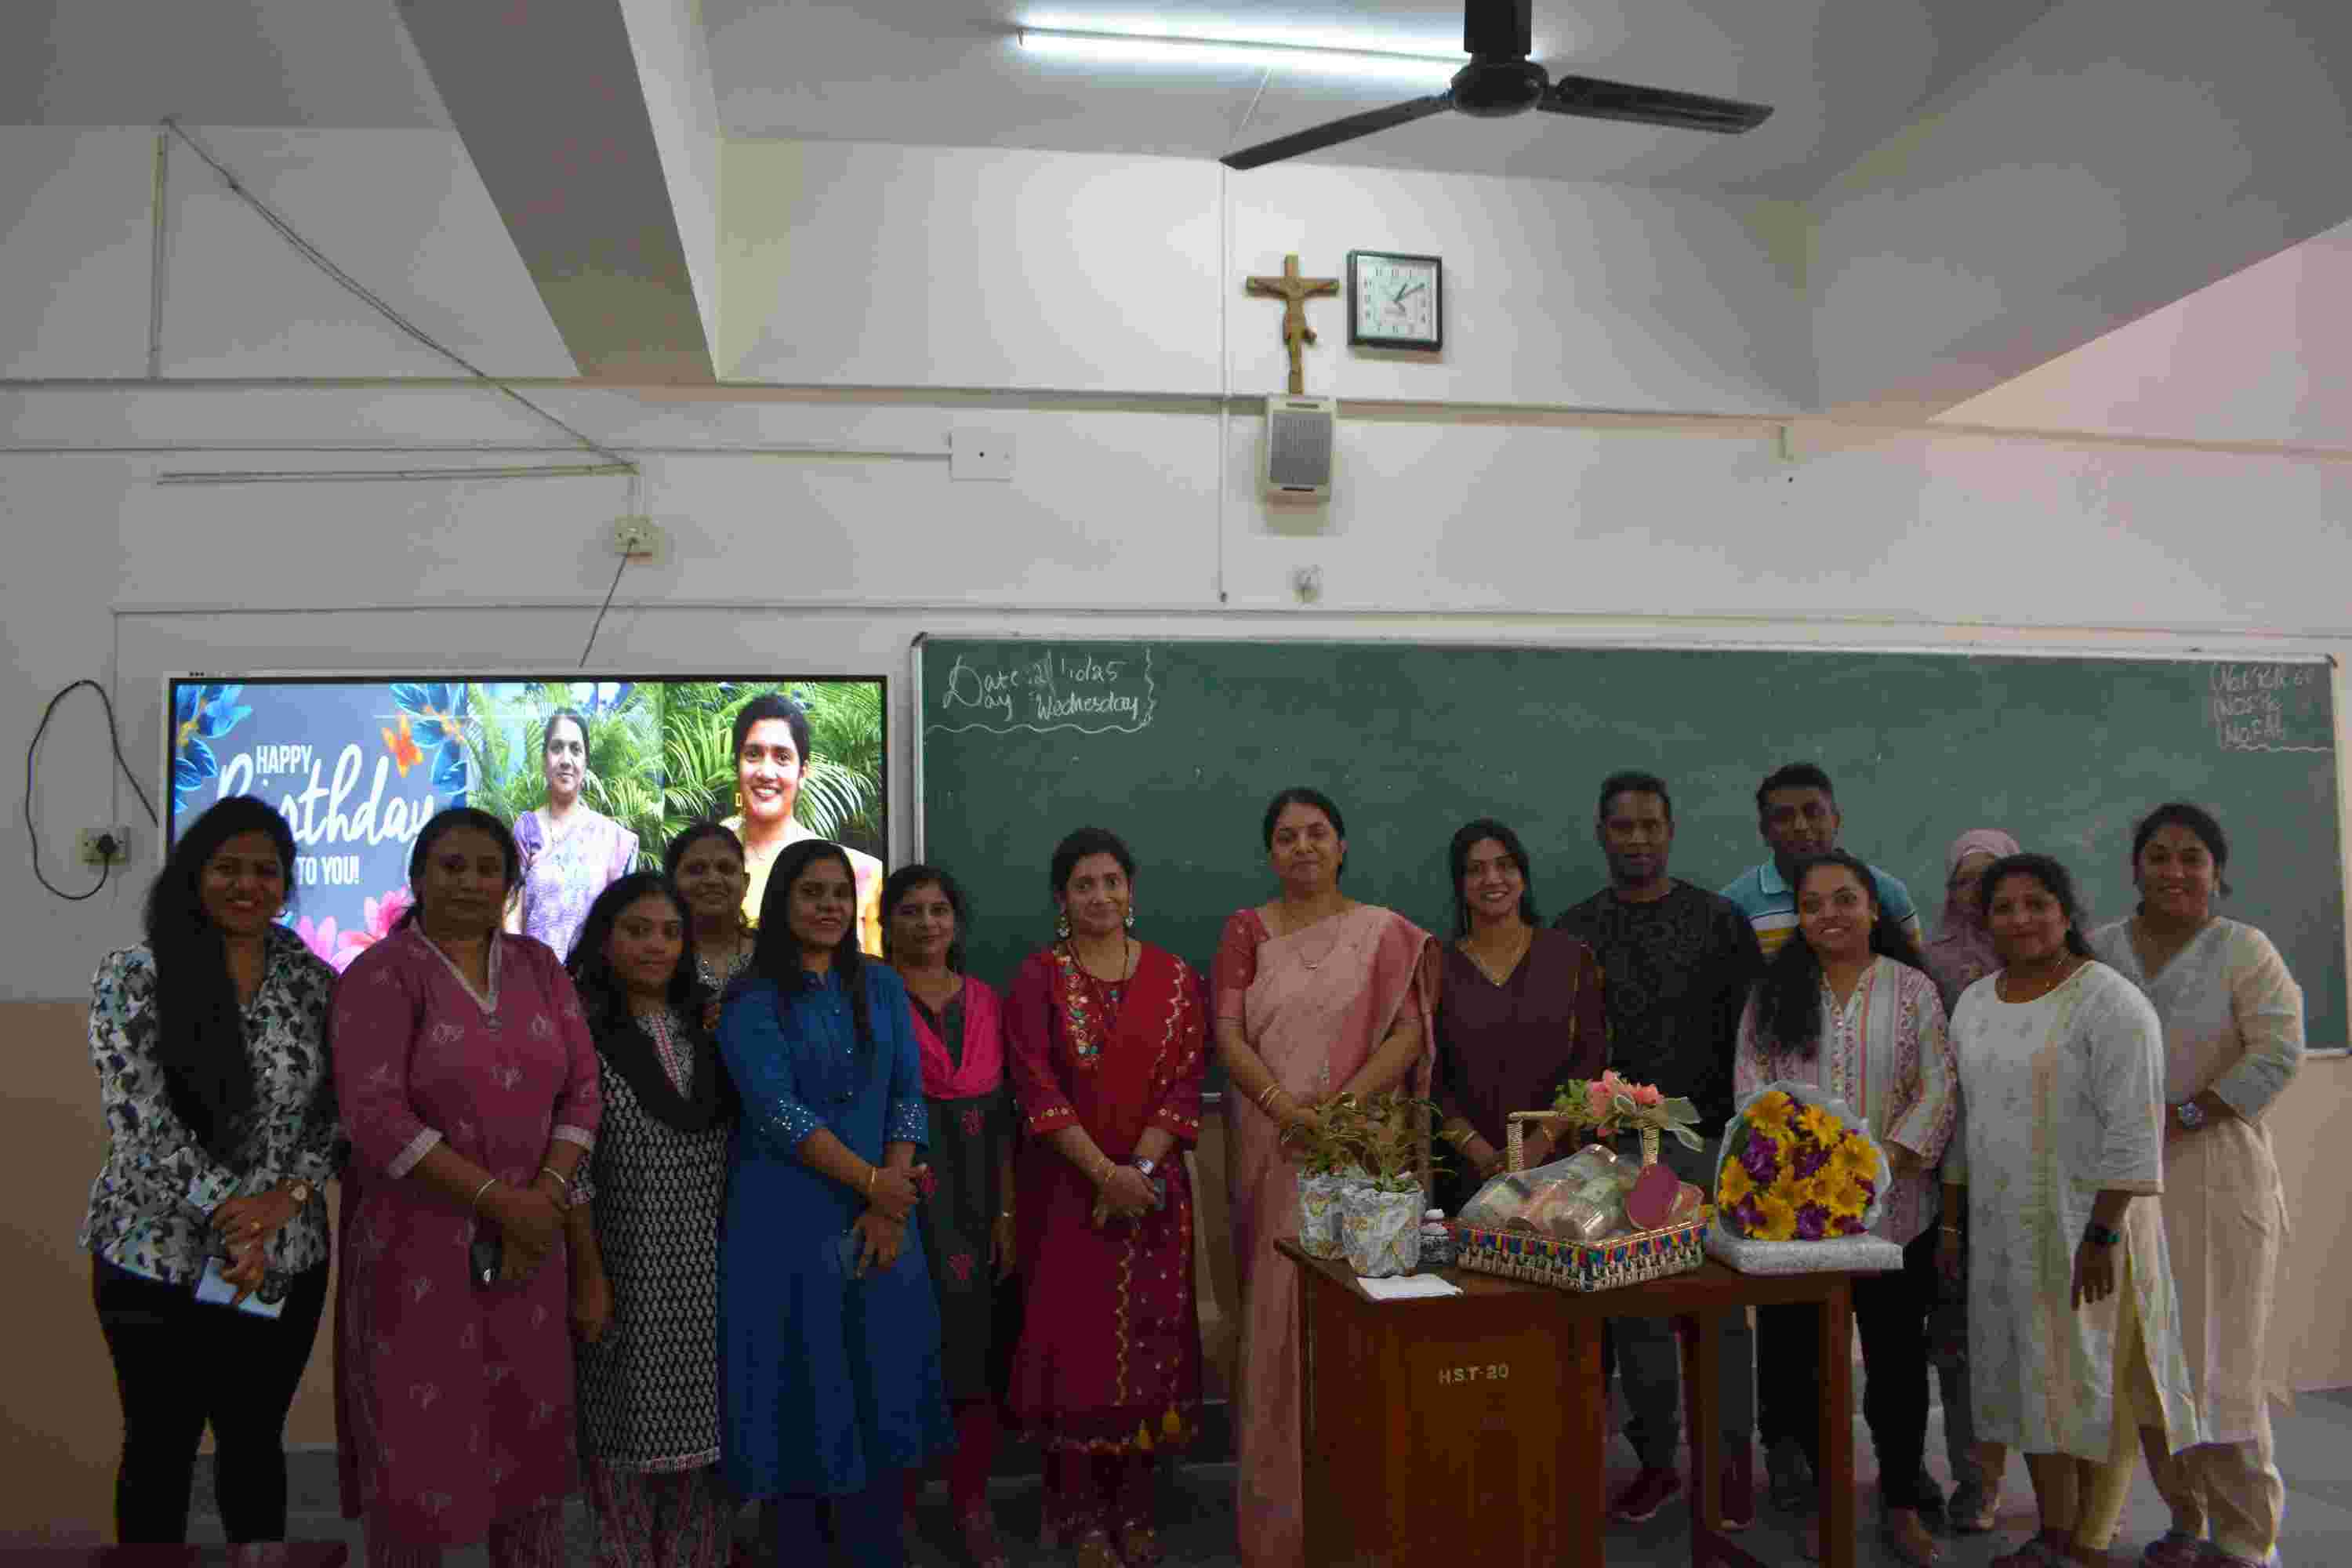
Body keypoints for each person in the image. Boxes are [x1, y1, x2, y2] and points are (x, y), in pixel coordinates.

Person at [332, 806, 603, 1567]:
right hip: (416, 1258)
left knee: (528, 1451)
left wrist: (542, 1195)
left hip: (530, 1256)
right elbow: (374, 1116)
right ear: (418, 877)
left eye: (489, 869)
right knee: (418, 1452)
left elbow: (583, 1090)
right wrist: (505, 1203)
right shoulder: (380, 975)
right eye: (452, 866)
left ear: (511, 884)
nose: (470, 882)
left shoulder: (541, 968)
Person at [82, 795, 343, 1544]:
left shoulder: (315, 983)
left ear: (286, 884)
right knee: (159, 1447)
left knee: (254, 1444)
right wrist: (238, 1219)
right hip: (153, 1255)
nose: (247, 884)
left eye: (266, 870)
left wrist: (287, 1200)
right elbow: (139, 1117)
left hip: (283, 1257)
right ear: (195, 874)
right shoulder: (135, 975)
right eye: (228, 867)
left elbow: (338, 1111)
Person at [1940, 854, 2201, 1568]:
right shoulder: (1976, 1004)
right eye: (2004, 908)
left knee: (2094, 1379)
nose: (2020, 919)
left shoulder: (2110, 1003)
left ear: (2066, 911)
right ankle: (2054, 1530)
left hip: (2091, 1229)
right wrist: (1955, 1223)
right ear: (1984, 920)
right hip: (2005, 1229)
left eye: (2037, 904)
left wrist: (2102, 1234)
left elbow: (2134, 1130)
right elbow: (1964, 1122)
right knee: (2030, 1379)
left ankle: (2094, 1539)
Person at [717, 838, 952, 1568]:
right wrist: (874, 1184)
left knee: (881, 1381)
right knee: (802, 1392)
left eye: (839, 893)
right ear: (782, 902)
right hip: (786, 1222)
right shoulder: (751, 998)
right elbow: (777, 1113)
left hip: (882, 1223)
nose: (828, 906)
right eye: (811, 892)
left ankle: (876, 1549)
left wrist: (890, 1199)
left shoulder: (880, 985)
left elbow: (908, 1095)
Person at [1216, 788, 1434, 1568]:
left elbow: (1408, 1034)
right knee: (1280, 1323)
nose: (1302, 846)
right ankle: (1282, 1528)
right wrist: (1287, 1111)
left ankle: (1367, 1519)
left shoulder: (1385, 932)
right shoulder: (1247, 930)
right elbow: (1228, 1033)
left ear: (1343, 845)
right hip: (1275, 1149)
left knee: (1363, 1316)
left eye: (1317, 833)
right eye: (1286, 836)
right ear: (1270, 853)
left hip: (1362, 1150)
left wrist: (1340, 1111)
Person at [2088, 804, 2301, 1568]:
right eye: (2158, 855)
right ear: (2135, 865)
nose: (2174, 871)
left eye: (2192, 857)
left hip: (2217, 1177)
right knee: (2145, 1367)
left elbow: (2278, 1053)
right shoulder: (2101, 950)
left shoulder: (2245, 949)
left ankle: (2246, 1541)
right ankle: (2186, 1516)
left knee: (2220, 1365)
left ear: (2217, 870)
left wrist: (2181, 1113)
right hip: (2123, 1187)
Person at [1736, 851, 1958, 1567]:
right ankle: (1823, 1497)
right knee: (1801, 1364)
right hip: (1799, 1224)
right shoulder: (1773, 994)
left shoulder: (1914, 988)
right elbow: (1754, 1091)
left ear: (1872, 907)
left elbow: (1938, 1087)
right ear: (1798, 917)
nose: (1829, 914)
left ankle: (1900, 1500)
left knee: (1897, 1365)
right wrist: (1809, 1174)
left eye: (1844, 899)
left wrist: (1878, 1163)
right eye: (1812, 904)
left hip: (1899, 1214)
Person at [1552, 771, 1764, 1526]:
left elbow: (1753, 1039)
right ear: (1602, 834)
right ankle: (1655, 1464)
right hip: (1616, 1151)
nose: (1637, 839)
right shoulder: (1575, 930)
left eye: (1650, 825)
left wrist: (1743, 1146)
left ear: (1670, 831)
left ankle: (1729, 1466)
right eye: (1623, 827)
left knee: (1721, 1314)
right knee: (1635, 1314)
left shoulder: (1719, 921)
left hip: (1709, 1143)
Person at [1006, 829, 1207, 1568]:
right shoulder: (1038, 978)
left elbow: (1186, 1081)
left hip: (1153, 1198)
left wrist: (1138, 1173)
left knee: (1151, 1348)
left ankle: (1136, 1508)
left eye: (1112, 881)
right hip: (1068, 1194)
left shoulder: (1177, 979)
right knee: (1076, 1354)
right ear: (1061, 899)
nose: (1100, 896)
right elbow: (1034, 1084)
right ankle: (1081, 1514)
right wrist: (1104, 1175)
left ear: (1131, 890)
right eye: (1084, 884)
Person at [564, 874, 738, 1568]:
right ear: (606, 941)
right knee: (624, 1453)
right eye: (637, 931)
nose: (656, 946)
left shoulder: (712, 1031)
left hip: (711, 1276)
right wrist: (588, 1275)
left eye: (670, 932)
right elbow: (573, 1170)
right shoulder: (580, 1034)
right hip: (625, 1271)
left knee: (709, 1459)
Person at [883, 863, 1020, 1567]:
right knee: (902, 1354)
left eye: (939, 910)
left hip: (976, 1200)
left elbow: (1001, 1117)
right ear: (886, 922)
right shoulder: (871, 996)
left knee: (975, 1354)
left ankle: (970, 1504)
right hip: (900, 1195)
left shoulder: (987, 1002)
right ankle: (899, 1510)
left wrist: (1005, 1211)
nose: (927, 923)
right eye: (911, 910)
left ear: (956, 922)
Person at [1919, 827, 2021, 1535]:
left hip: (2034, 1174)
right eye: (1964, 880)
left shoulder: (2058, 961)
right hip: (1952, 1178)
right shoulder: (1930, 966)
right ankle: (1975, 1480)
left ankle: (2069, 1487)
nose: (1977, 894)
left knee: (2038, 1334)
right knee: (1956, 1336)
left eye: (1993, 878)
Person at [1431, 817, 1607, 1214]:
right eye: (1475, 869)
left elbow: (1590, 1061)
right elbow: (1431, 1077)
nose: (1492, 879)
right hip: (1466, 1175)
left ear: (1523, 877)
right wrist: (1478, 1151)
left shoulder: (1569, 958)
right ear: (1460, 884)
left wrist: (1538, 1143)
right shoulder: (1437, 966)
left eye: (1505, 865)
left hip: (1560, 1170)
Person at [721, 693, 884, 953]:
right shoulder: (704, 869)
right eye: (753, 754)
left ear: (803, 772)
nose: (766, 772)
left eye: (782, 757)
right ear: (736, 765)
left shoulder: (862, 875)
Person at [1720, 762, 1924, 963]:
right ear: (1764, 831)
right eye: (1784, 817)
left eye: (1813, 813)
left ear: (1836, 821)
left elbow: (1913, 972)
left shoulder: (1887, 893)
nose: (1801, 826)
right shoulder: (1734, 906)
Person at [510, 708, 641, 960]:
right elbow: (511, 912)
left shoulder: (610, 839)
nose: (566, 760)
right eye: (557, 748)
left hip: (592, 977)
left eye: (576, 750)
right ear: (544, 759)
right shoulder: (527, 829)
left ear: (585, 762)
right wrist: (520, 969)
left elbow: (623, 922)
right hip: (533, 972)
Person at [666, 820, 756, 993]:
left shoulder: (774, 953)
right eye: (696, 870)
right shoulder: (654, 955)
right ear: (671, 882)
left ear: (745, 883)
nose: (712, 880)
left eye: (726, 869)